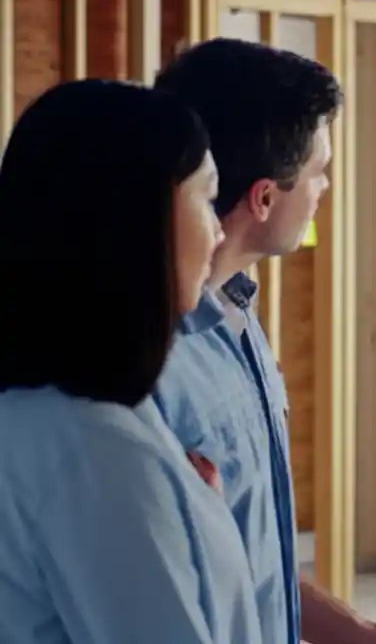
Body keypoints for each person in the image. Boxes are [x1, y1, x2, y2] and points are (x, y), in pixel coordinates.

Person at [151, 38, 376, 644]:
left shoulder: (240, 314)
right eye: (319, 172)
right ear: (265, 196)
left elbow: (255, 558)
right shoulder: (140, 364)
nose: (326, 187)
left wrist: (363, 632)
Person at [0, 80, 262, 643]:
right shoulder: (96, 454)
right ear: (139, 218)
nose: (219, 231)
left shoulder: (51, 421)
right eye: (207, 197)